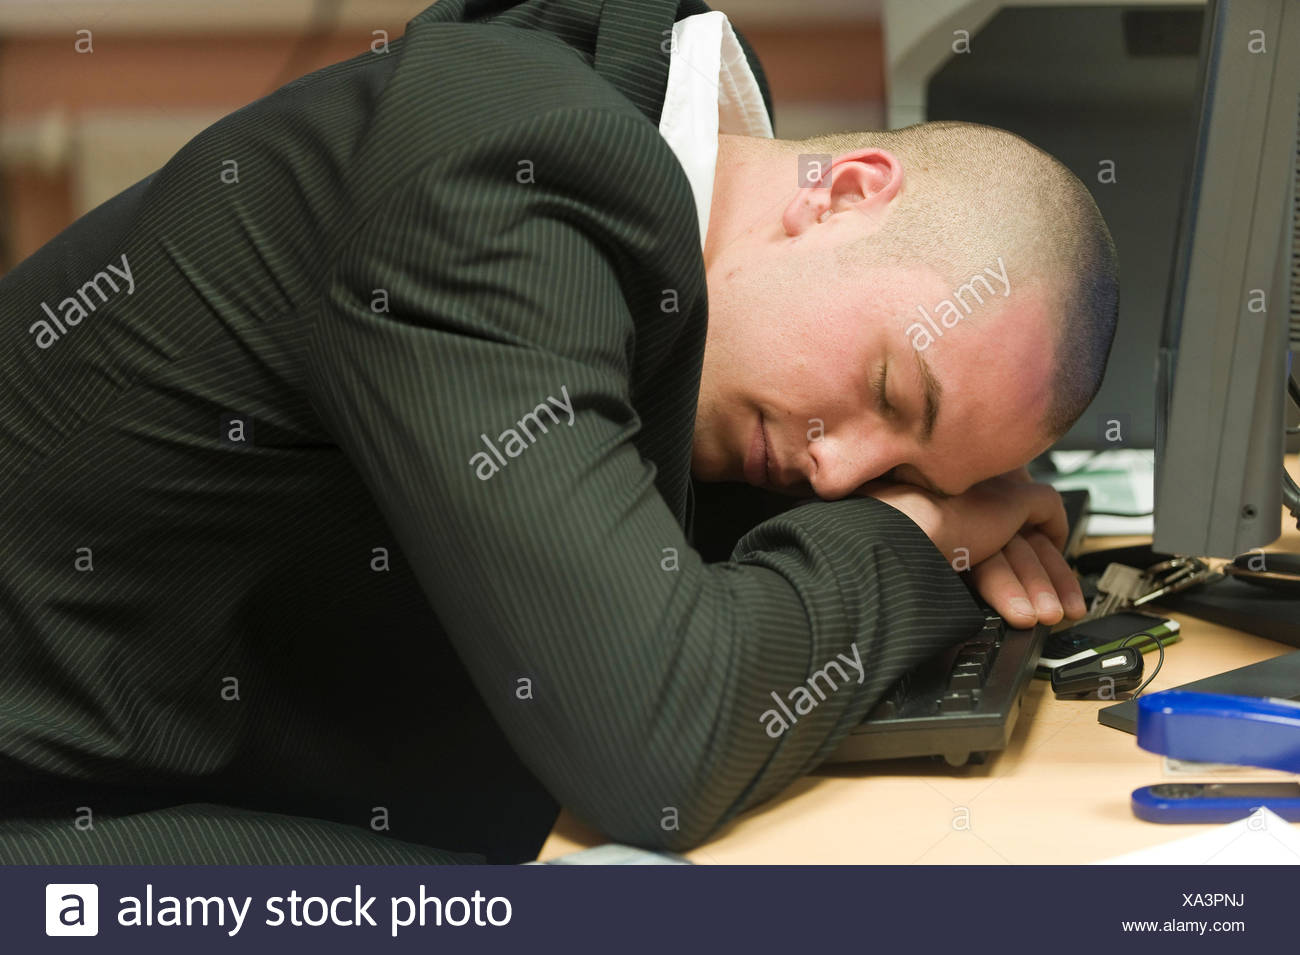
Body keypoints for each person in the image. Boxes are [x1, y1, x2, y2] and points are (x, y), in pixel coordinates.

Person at [0, 0, 1115, 865]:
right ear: (845, 192)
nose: (839, 469)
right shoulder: (502, 185)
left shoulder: (661, 186)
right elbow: (656, 743)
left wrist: (940, 528)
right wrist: (913, 544)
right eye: (888, 388)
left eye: (910, 470)